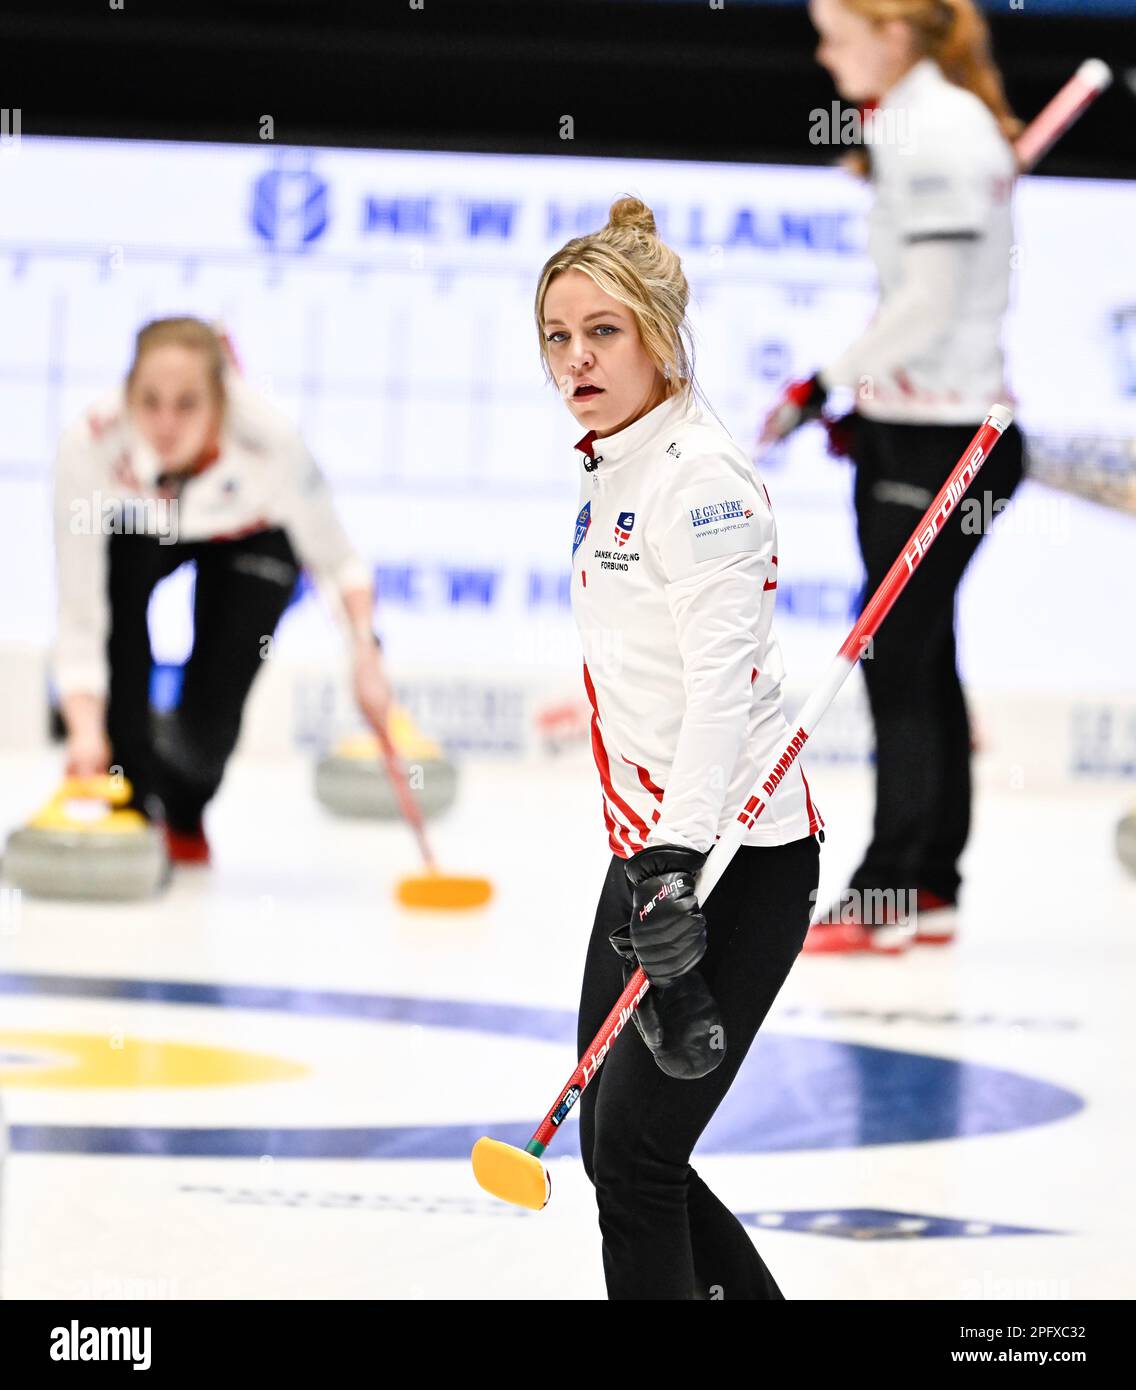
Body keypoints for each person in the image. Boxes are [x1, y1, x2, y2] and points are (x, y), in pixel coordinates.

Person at [537, 195, 824, 1299]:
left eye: (601, 331)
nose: (575, 357)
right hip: (652, 854)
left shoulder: (697, 483)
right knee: (622, 1153)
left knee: (641, 1158)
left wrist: (670, 866)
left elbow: (718, 693)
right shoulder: (611, 458)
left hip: (732, 860)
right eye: (558, 336)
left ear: (659, 334)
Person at [761, 0, 1026, 953]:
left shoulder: (940, 129)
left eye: (836, 32)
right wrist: (861, 408)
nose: (825, 52)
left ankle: (893, 890)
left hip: (945, 442)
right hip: (918, 429)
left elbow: (928, 304)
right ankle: (927, 886)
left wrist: (820, 385)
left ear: (894, 31)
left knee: (898, 662)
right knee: (919, 658)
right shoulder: (919, 124)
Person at [52, 315, 390, 862]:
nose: (164, 424)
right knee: (119, 610)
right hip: (142, 530)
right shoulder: (88, 448)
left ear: (222, 402)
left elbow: (337, 561)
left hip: (248, 536)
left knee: (208, 727)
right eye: (149, 401)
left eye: (187, 404)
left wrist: (364, 655)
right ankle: (128, 792)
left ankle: (183, 802)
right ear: (127, 393)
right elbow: (81, 611)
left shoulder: (271, 439)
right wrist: (86, 731)